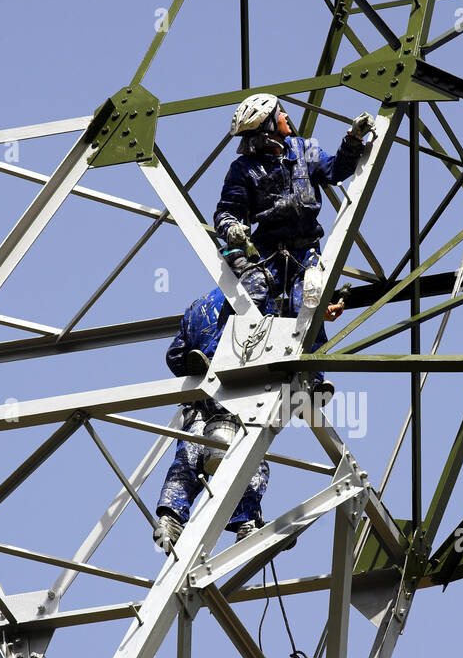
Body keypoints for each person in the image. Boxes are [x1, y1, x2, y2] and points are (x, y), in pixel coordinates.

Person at [214, 94, 375, 385]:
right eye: (281, 113)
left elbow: (335, 169)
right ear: (267, 126)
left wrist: (354, 137)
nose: (287, 117)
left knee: (309, 301)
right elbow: (226, 212)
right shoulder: (243, 169)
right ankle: (230, 362)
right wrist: (232, 229)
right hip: (266, 254)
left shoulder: (304, 149)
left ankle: (311, 380)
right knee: (251, 299)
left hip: (305, 251)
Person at [153, 286, 270, 553]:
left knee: (188, 458)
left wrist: (198, 375)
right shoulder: (259, 294)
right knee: (251, 458)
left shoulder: (199, 305)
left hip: (199, 400)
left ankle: (169, 519)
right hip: (237, 393)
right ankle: (246, 522)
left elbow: (174, 355)